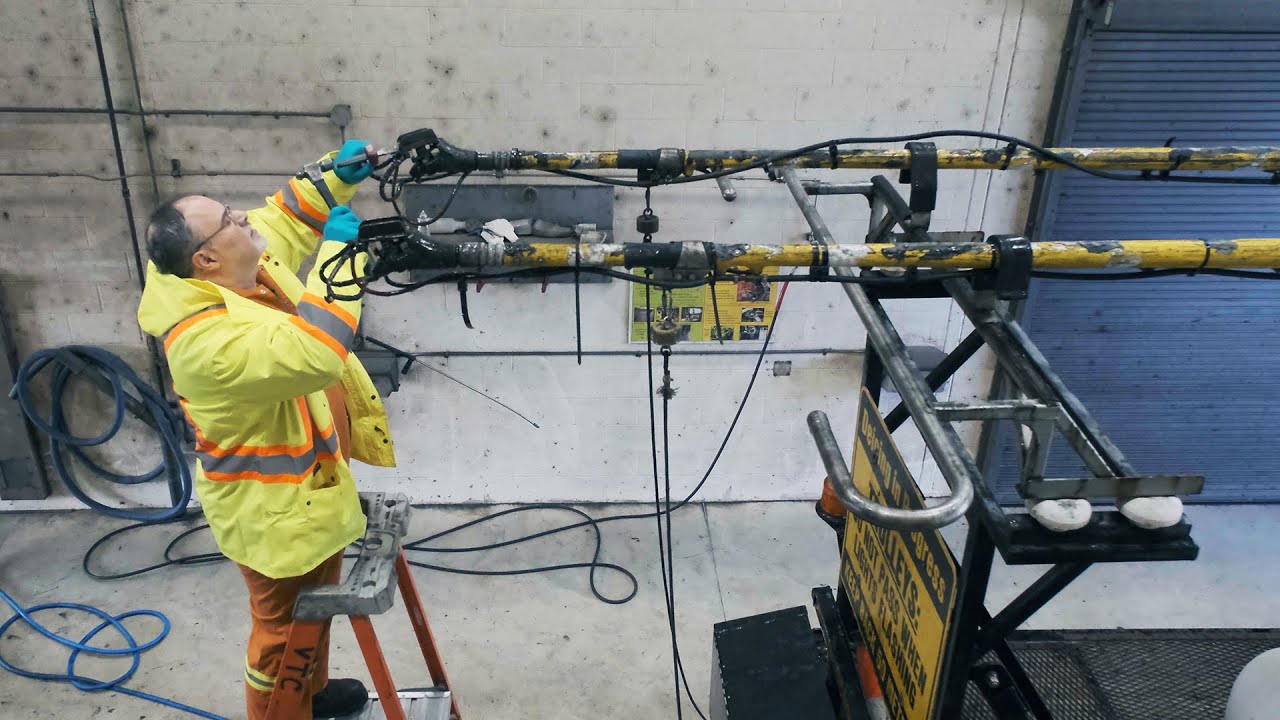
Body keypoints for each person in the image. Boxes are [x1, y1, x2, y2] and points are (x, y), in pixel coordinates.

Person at [136, 140, 396, 719]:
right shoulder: (205, 342)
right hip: (273, 516)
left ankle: (315, 693)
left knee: (315, 610)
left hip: (310, 498)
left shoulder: (232, 272)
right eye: (228, 221)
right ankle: (279, 711)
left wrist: (332, 177)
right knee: (281, 636)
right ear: (205, 258)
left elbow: (283, 220)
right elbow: (318, 350)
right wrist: (340, 259)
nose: (244, 220)